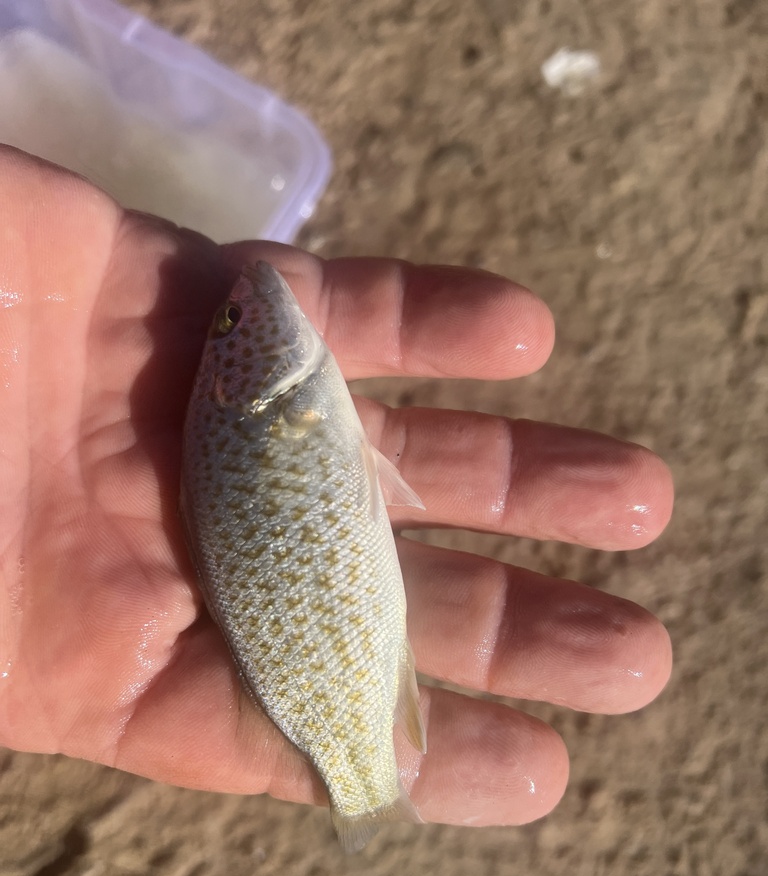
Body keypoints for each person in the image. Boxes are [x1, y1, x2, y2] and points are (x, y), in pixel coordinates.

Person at [0, 146, 672, 830]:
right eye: (230, 324)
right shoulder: (273, 406)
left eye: (225, 321)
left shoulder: (266, 404)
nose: (242, 300)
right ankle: (365, 790)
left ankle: (363, 787)